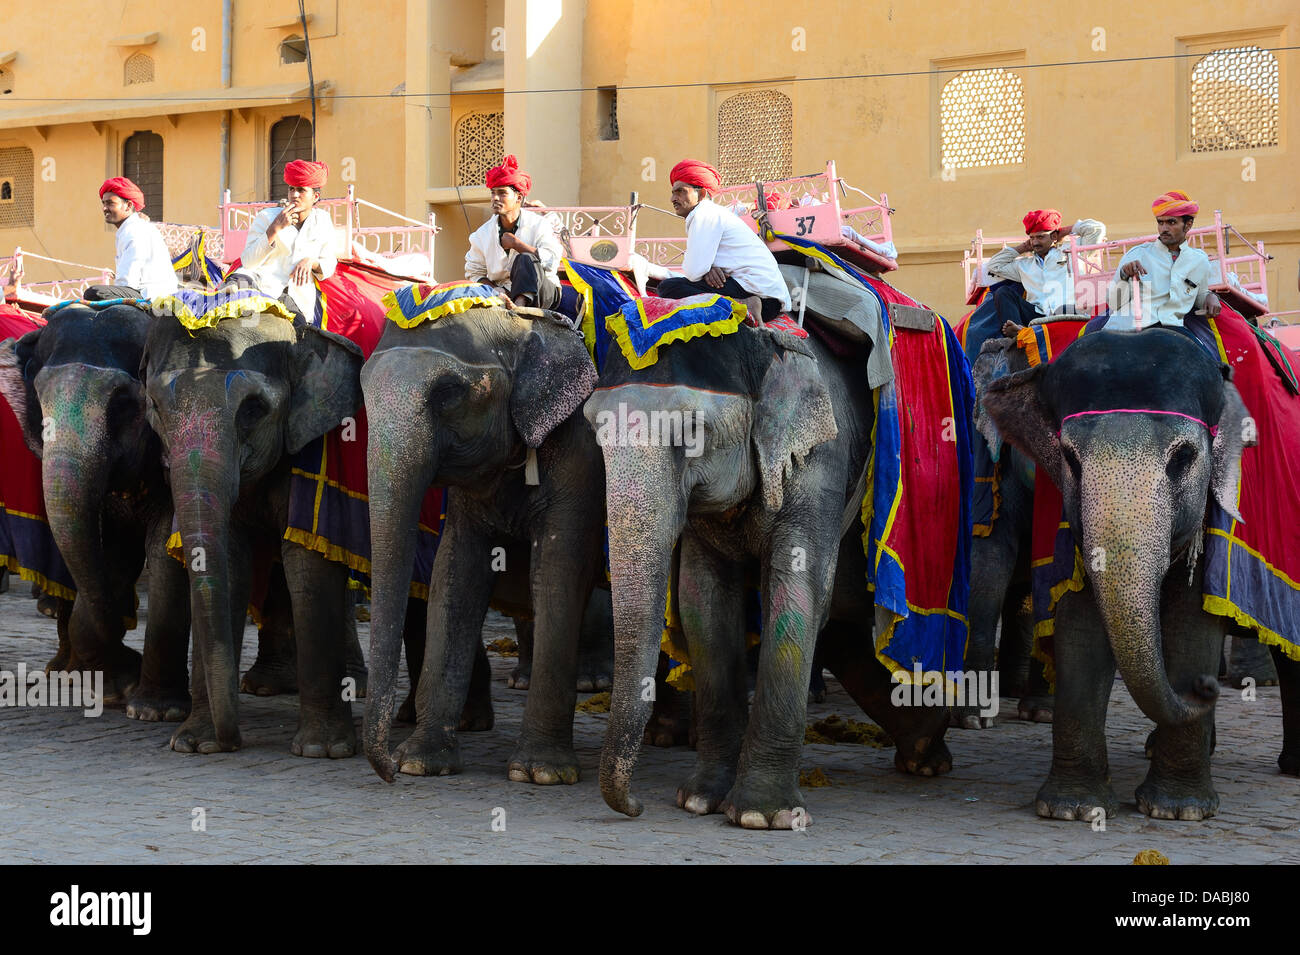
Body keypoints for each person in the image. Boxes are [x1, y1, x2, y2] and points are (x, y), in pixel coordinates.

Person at [642, 159, 791, 322]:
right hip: (765, 298)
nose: (672, 198)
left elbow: (692, 272)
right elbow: (698, 268)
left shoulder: (704, 214)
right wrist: (708, 269)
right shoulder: (712, 213)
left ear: (702, 194)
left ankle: (744, 305)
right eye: (672, 193)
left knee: (668, 287)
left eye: (680, 191)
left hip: (761, 300)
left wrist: (704, 271)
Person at [226, 159, 337, 323]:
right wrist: (275, 228)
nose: (294, 195)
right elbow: (248, 261)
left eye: (301, 190)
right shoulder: (267, 217)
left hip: (298, 297)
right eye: (291, 189)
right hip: (262, 287)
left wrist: (311, 262)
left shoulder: (322, 220)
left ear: (316, 196)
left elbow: (329, 262)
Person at [1104, 190, 1221, 335]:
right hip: (1127, 331)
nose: (1164, 228)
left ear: (1188, 225)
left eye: (1171, 222)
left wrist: (1211, 296)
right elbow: (1114, 304)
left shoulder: (1199, 260)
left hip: (1172, 331)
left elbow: (1199, 295)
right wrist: (1123, 275)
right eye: (1160, 222)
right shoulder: (1138, 254)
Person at [464, 155, 565, 310]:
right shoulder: (481, 234)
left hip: (544, 291)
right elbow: (474, 272)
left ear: (518, 197)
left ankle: (519, 306)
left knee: (525, 259)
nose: (495, 198)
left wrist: (517, 244)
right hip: (503, 293)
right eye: (493, 193)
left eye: (502, 193)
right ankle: (511, 302)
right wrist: (495, 289)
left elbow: (552, 260)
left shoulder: (539, 224)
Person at [987, 209, 1105, 336]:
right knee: (1003, 292)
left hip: (1069, 311)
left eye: (1040, 237)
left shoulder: (1072, 252)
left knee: (1065, 309)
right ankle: (1018, 334)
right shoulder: (1024, 265)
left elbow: (1096, 228)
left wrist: (1063, 232)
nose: (1035, 242)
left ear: (1054, 236)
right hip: (1037, 315)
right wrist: (1023, 247)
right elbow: (994, 265)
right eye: (1032, 238)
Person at [82, 177, 178, 301]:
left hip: (151, 295)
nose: (105, 208)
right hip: (143, 292)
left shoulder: (134, 231)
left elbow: (127, 281)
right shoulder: (130, 229)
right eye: (103, 203)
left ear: (128, 205)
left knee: (94, 292)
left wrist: (116, 290)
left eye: (110, 203)